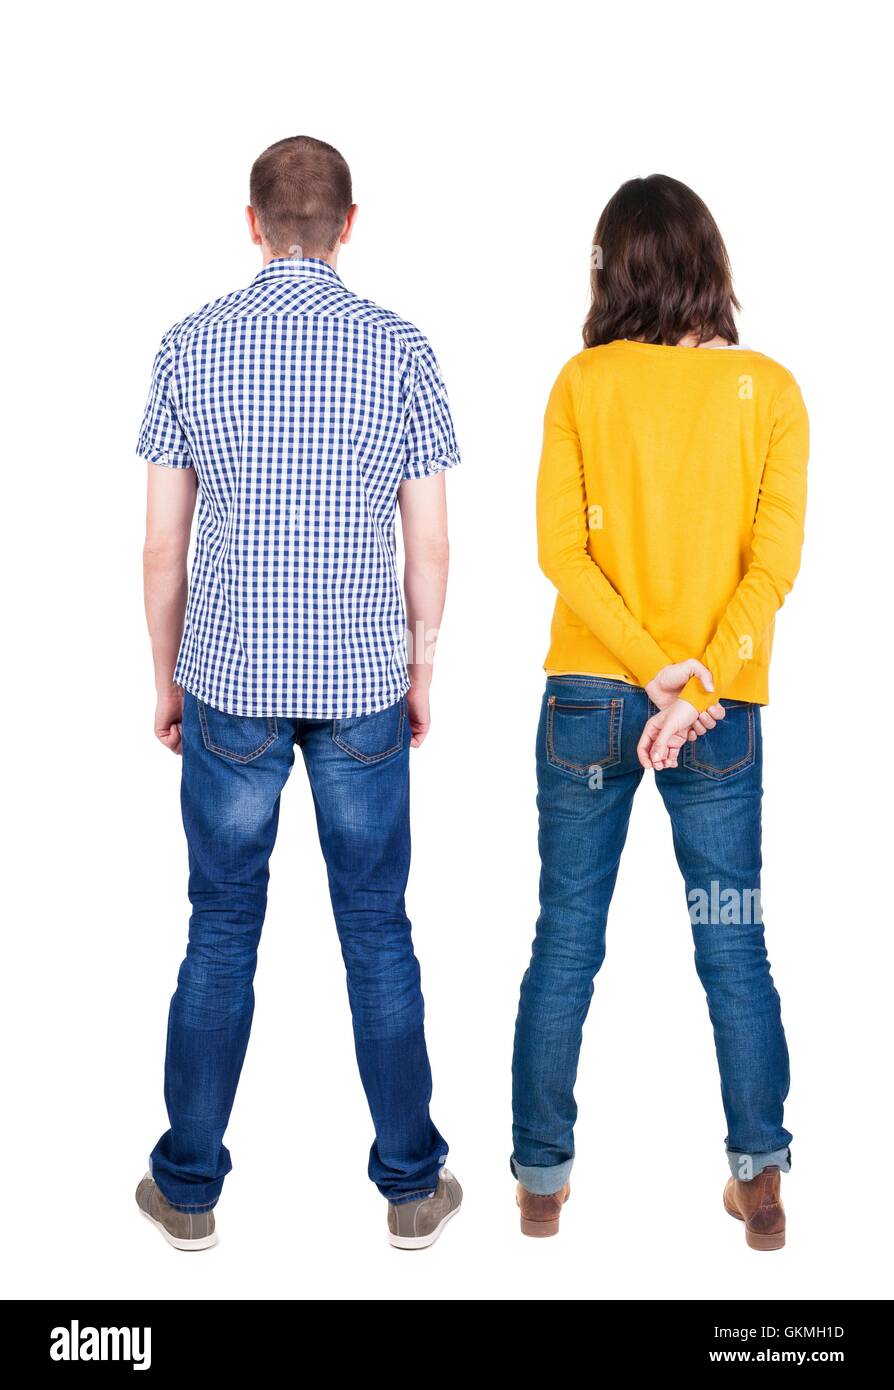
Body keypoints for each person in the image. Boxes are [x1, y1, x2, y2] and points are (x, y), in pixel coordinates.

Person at [135, 136, 462, 1251]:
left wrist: (167, 675)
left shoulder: (190, 346)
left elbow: (162, 550)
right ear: (349, 225)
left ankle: (186, 1191)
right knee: (379, 929)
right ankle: (413, 1187)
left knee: (219, 927)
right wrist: (420, 667)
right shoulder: (402, 350)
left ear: (253, 222)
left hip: (226, 675)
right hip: (366, 679)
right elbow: (430, 545)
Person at [511, 174, 808, 1248]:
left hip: (590, 697)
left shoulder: (583, 382)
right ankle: (761, 1175)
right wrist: (692, 684)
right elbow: (772, 571)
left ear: (614, 270)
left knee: (565, 938)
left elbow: (562, 552)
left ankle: (540, 1178)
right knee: (734, 942)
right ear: (708, 264)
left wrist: (644, 671)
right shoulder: (770, 390)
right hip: (718, 712)